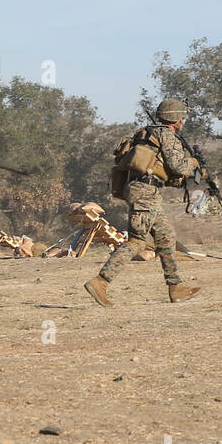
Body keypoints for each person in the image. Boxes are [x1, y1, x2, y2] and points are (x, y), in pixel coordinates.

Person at [84, 97, 202, 306]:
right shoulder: (167, 136)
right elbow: (178, 167)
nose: (183, 121)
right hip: (145, 192)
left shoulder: (147, 134)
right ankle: (100, 282)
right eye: (182, 117)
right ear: (175, 119)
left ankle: (175, 287)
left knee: (166, 236)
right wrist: (193, 163)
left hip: (144, 191)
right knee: (137, 241)